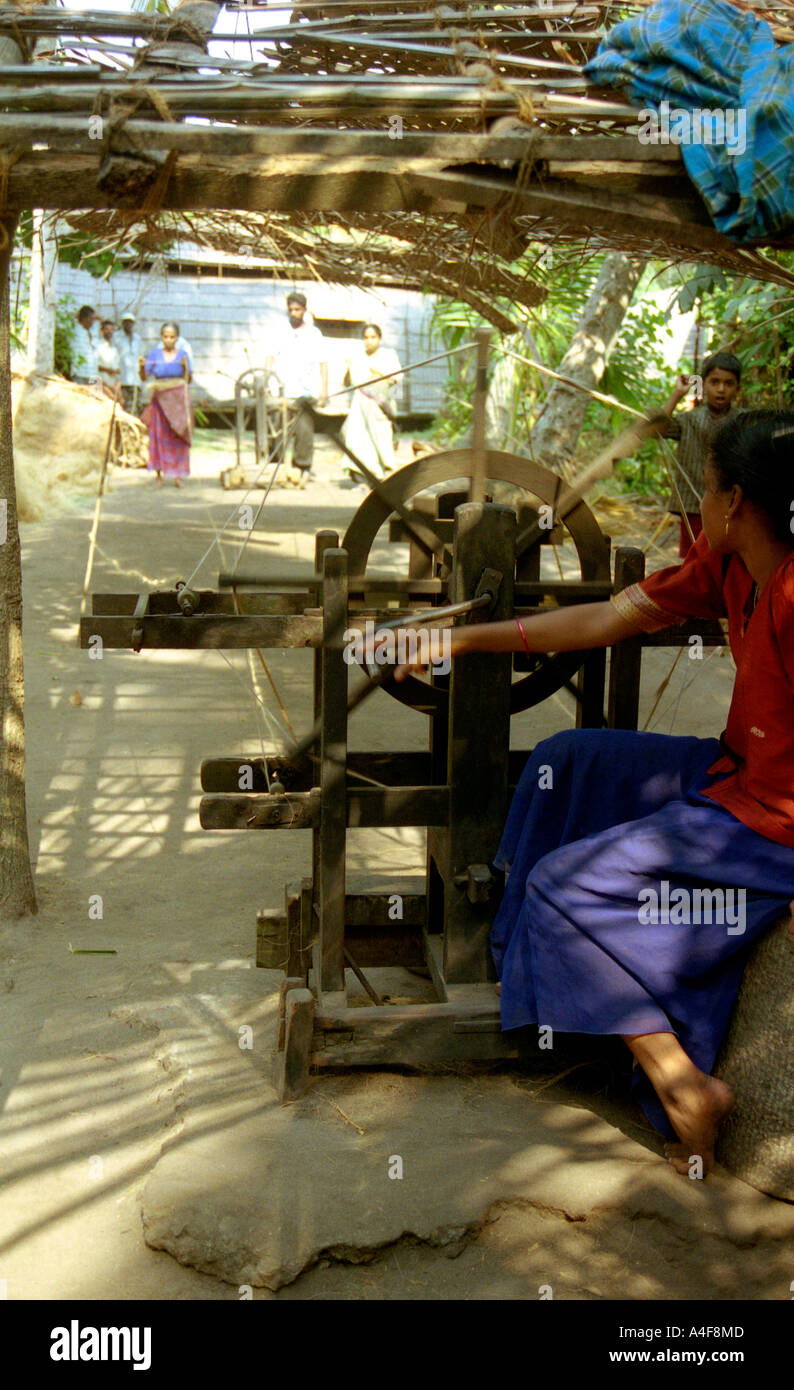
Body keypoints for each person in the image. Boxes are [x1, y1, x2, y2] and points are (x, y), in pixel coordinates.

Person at [393, 409, 794, 1177]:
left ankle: (683, 1084)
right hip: (737, 773)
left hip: (775, 828)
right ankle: (534, 979)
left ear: (736, 500)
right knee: (565, 761)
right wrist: (462, 636)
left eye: (703, 489)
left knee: (563, 885)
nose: (695, 506)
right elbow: (608, 619)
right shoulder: (730, 566)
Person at [660, 351, 742, 556]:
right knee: (693, 561)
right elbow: (657, 429)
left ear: (738, 388)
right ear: (703, 385)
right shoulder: (688, 420)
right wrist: (677, 394)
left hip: (730, 508)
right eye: (714, 382)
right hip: (694, 508)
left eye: (728, 383)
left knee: (724, 560)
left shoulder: (744, 421)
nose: (721, 389)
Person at [265, 292, 328, 488]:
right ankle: (276, 469)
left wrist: (324, 390)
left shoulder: (314, 334)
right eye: (290, 309)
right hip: (281, 391)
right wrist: (266, 383)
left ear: (304, 310)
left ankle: (303, 468)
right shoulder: (278, 330)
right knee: (276, 432)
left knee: (304, 433)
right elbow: (270, 357)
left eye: (297, 309)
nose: (294, 313)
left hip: (304, 393)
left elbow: (323, 363)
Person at [340, 323, 401, 482]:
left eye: (373, 337)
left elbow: (397, 380)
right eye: (366, 338)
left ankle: (379, 477)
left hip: (379, 405)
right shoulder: (357, 357)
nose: (369, 341)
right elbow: (348, 383)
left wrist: (386, 377)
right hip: (359, 405)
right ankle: (361, 480)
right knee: (357, 439)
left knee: (378, 441)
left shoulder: (388, 355)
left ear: (379, 339)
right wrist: (348, 367)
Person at [138, 321, 192, 487]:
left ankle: (178, 476)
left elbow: (188, 380)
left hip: (177, 401)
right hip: (159, 399)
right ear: (161, 337)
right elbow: (143, 377)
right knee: (158, 436)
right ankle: (159, 476)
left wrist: (184, 368)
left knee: (177, 435)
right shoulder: (154, 354)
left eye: (172, 337)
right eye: (165, 337)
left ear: (177, 338)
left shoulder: (183, 354)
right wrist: (141, 366)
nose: (168, 340)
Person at [114, 312, 143, 413]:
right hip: (122, 379)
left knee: (135, 407)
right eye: (126, 322)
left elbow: (139, 356)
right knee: (123, 407)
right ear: (122, 323)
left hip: (135, 379)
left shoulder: (137, 338)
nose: (128, 325)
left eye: (130, 322)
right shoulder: (116, 337)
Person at [71, 304, 99, 386]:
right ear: (84, 318)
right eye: (91, 318)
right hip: (79, 373)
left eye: (93, 319)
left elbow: (100, 320)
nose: (92, 321)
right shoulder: (74, 329)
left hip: (92, 372)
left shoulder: (93, 330)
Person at [96, 320, 122, 401]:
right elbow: (94, 365)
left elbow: (117, 367)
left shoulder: (114, 348)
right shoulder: (98, 345)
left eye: (111, 329)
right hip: (101, 383)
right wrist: (108, 370)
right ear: (102, 331)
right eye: (107, 329)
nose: (109, 332)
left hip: (113, 384)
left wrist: (117, 376)